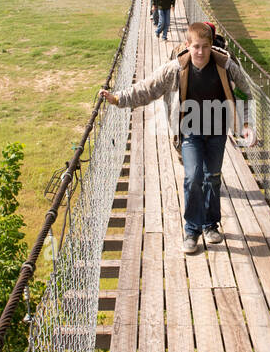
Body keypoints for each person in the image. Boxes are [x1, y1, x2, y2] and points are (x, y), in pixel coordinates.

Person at [100, 21, 256, 254]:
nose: (200, 52)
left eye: (205, 46)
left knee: (212, 177)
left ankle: (211, 225)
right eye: (196, 46)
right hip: (189, 132)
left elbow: (244, 92)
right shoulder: (176, 69)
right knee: (193, 176)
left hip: (217, 132)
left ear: (212, 46)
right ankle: (192, 229)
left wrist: (245, 124)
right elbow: (147, 88)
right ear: (187, 45)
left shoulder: (226, 65)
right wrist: (118, 99)